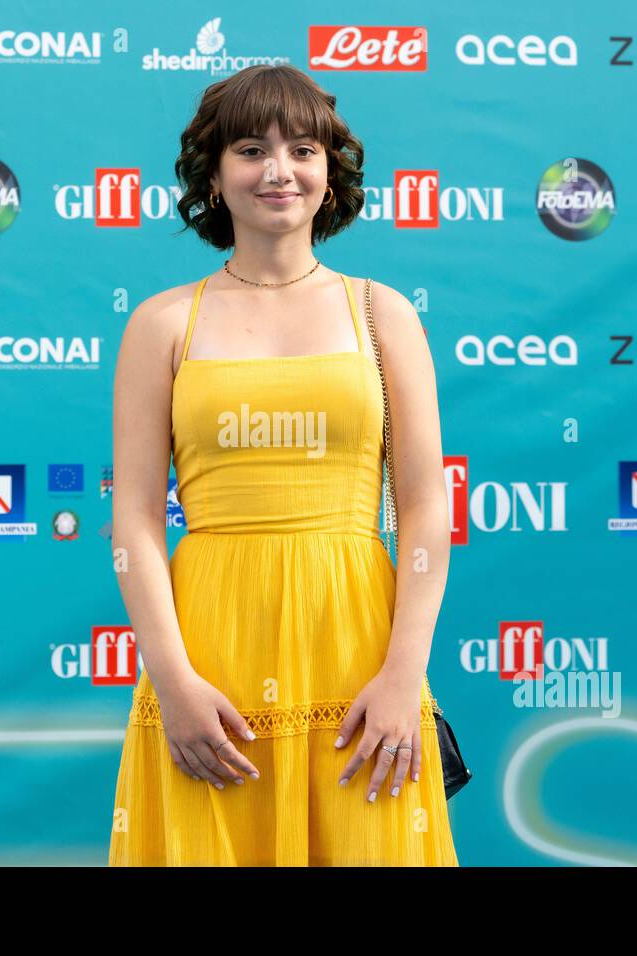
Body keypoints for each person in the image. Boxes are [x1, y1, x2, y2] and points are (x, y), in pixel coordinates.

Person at [107, 63, 457, 866]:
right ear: (213, 174)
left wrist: (405, 675)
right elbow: (133, 517)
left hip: (360, 651)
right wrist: (173, 681)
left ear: (330, 174)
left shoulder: (382, 313)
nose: (278, 170)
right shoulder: (162, 324)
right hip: (210, 657)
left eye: (302, 148)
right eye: (249, 150)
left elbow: (426, 506)